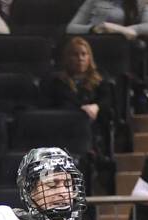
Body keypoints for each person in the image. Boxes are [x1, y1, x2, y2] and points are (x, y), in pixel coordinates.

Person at [43, 37, 119, 193]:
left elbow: (109, 102)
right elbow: (54, 105)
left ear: (89, 57)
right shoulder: (57, 82)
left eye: (84, 54)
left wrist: (97, 106)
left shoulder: (100, 80)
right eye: (75, 55)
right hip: (63, 132)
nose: (80, 59)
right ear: (67, 58)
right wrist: (80, 109)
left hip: (91, 133)